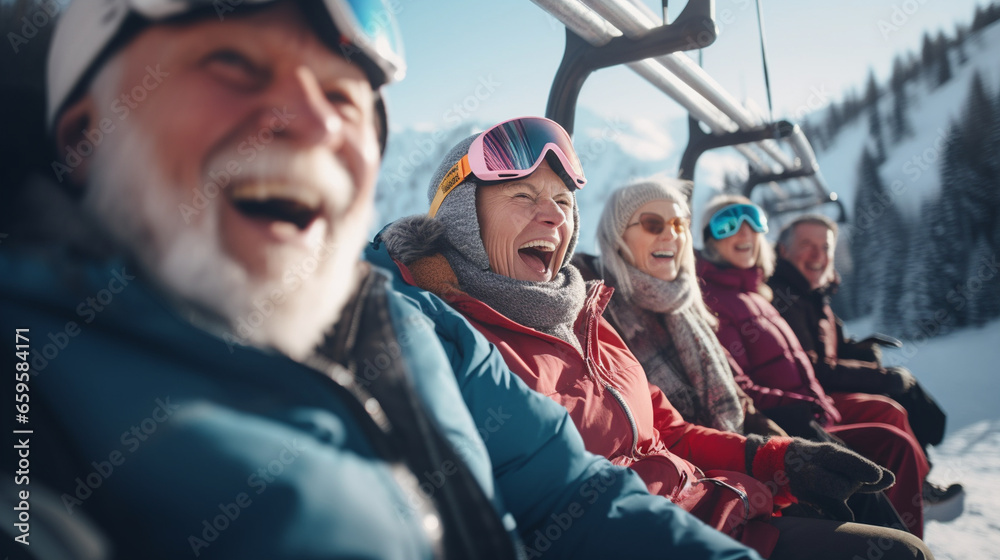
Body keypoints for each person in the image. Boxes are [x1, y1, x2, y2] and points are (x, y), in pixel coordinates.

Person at [0, 1, 770, 558]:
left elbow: (571, 493)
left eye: (343, 94)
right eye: (233, 62)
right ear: (86, 132)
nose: (316, 119)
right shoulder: (35, 387)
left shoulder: (410, 326)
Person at [372, 119, 933, 560]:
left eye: (564, 202)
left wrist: (777, 460)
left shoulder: (583, 316)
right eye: (522, 197)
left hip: (718, 508)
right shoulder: (453, 338)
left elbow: (667, 432)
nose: (552, 218)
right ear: (464, 217)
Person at [696, 195, 931, 537]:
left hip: (810, 411)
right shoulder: (714, 298)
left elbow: (795, 362)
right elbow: (737, 385)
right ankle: (892, 541)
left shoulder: (755, 293)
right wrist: (803, 405)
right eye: (727, 224)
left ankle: (904, 536)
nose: (743, 232)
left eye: (753, 222)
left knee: (892, 436)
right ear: (709, 239)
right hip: (787, 422)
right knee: (892, 442)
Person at [768, 214, 962, 508]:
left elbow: (832, 347)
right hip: (807, 401)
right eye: (807, 244)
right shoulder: (785, 298)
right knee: (889, 409)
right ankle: (914, 492)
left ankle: (918, 486)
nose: (818, 255)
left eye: (826, 247)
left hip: (823, 392)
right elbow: (815, 369)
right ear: (783, 251)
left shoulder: (813, 294)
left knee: (895, 395)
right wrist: (883, 377)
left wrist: (862, 350)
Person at [573, 178, 785, 438]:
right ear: (618, 238)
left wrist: (784, 446)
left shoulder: (686, 304)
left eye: (678, 224)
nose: (670, 234)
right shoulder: (596, 316)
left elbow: (736, 396)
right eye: (653, 224)